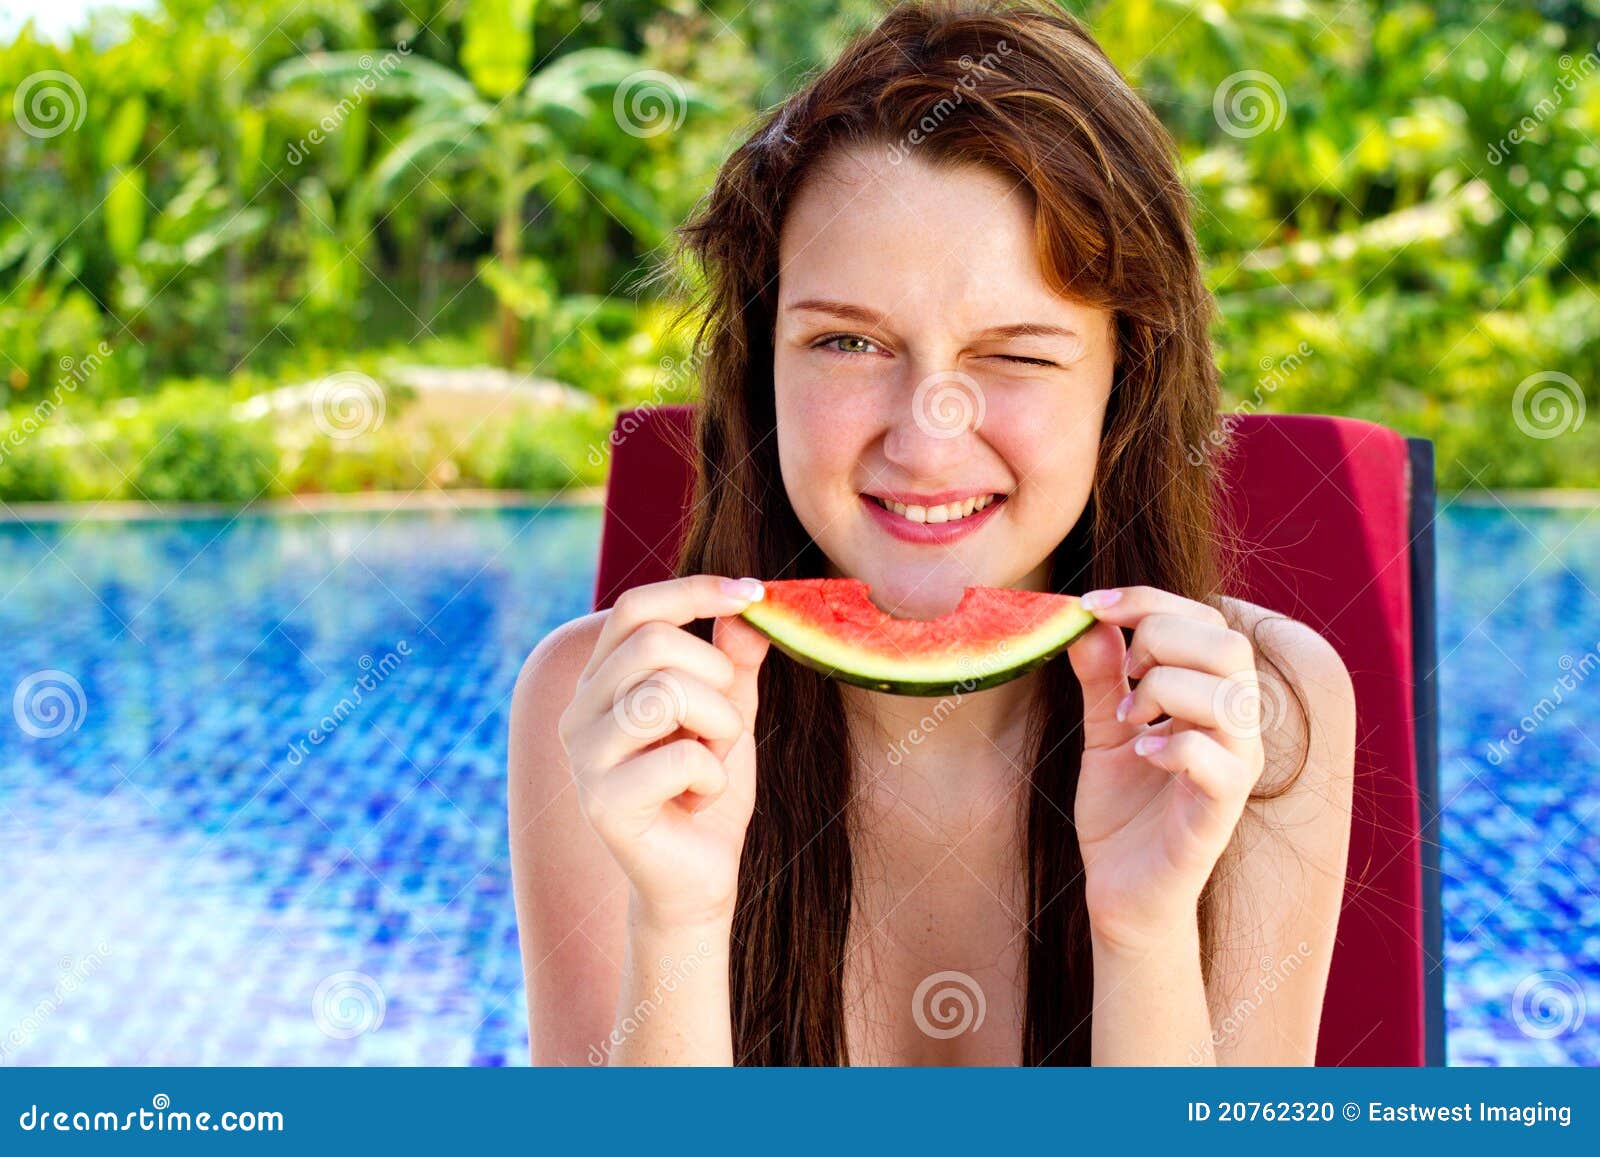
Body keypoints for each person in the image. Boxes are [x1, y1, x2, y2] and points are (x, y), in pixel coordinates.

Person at [509, 0, 1355, 1065]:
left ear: (1123, 384)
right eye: (850, 341)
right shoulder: (607, 716)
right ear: (760, 367)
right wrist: (675, 923)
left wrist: (1143, 934)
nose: (926, 436)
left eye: (1017, 354)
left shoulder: (1256, 709)